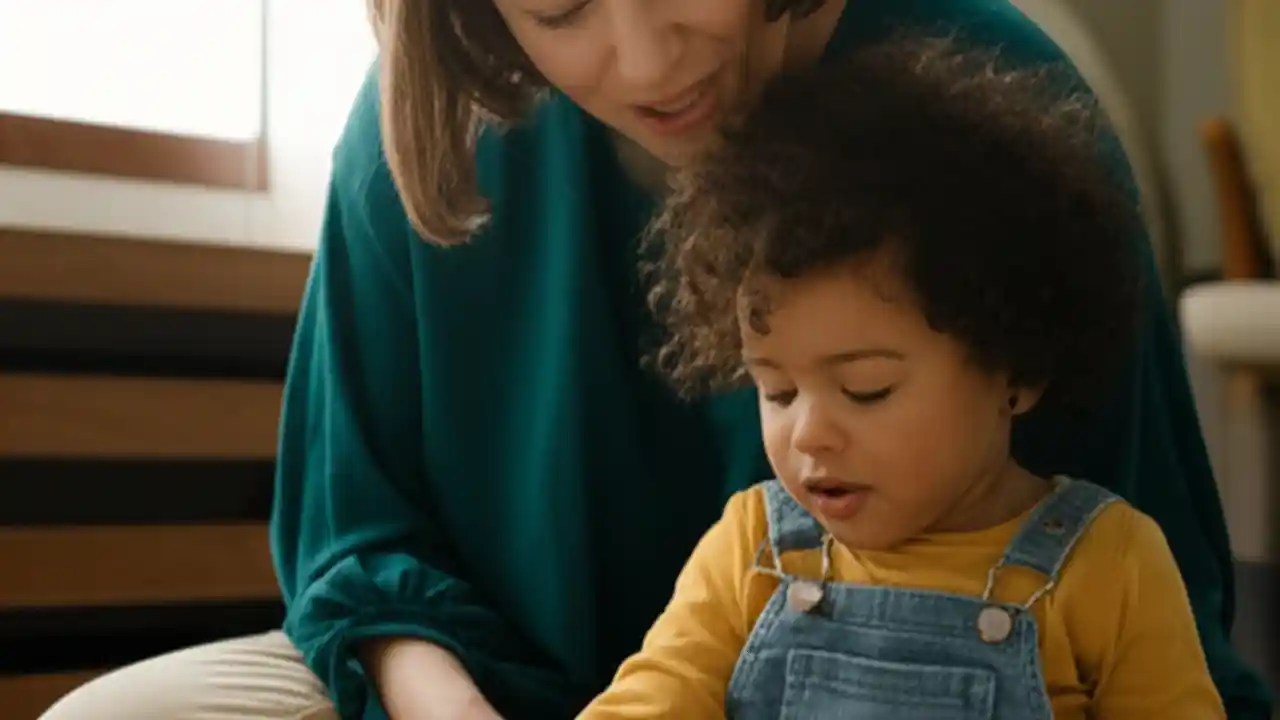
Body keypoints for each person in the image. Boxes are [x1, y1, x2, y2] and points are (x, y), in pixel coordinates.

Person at [39, 1, 1270, 719]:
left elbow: (1147, 615)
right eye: (560, 6)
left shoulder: (994, 102)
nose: (641, 63)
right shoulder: (426, 130)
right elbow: (356, 538)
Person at [580, 36, 1222, 719]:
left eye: (866, 390)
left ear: (1016, 369)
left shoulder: (1108, 564)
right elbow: (651, 699)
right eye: (778, 391)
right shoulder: (756, 550)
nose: (810, 434)